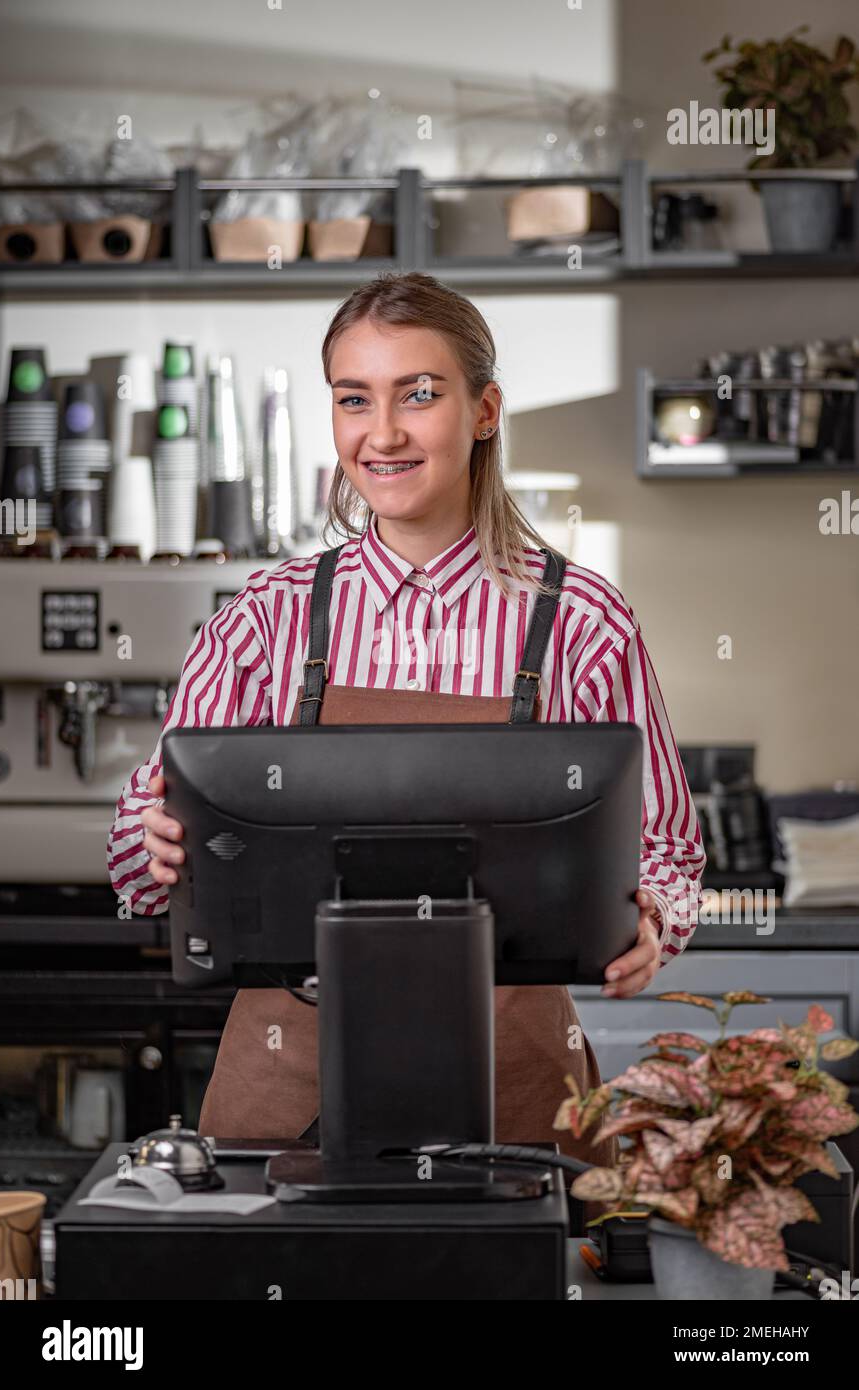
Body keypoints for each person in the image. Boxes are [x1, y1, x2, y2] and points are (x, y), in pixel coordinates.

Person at [108, 271, 705, 1166]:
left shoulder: (582, 619)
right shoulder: (267, 617)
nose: (381, 433)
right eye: (354, 399)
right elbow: (142, 839)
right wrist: (150, 840)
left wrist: (653, 921)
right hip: (287, 1090)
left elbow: (670, 854)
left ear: (483, 409)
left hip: (517, 1094)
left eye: (418, 395)